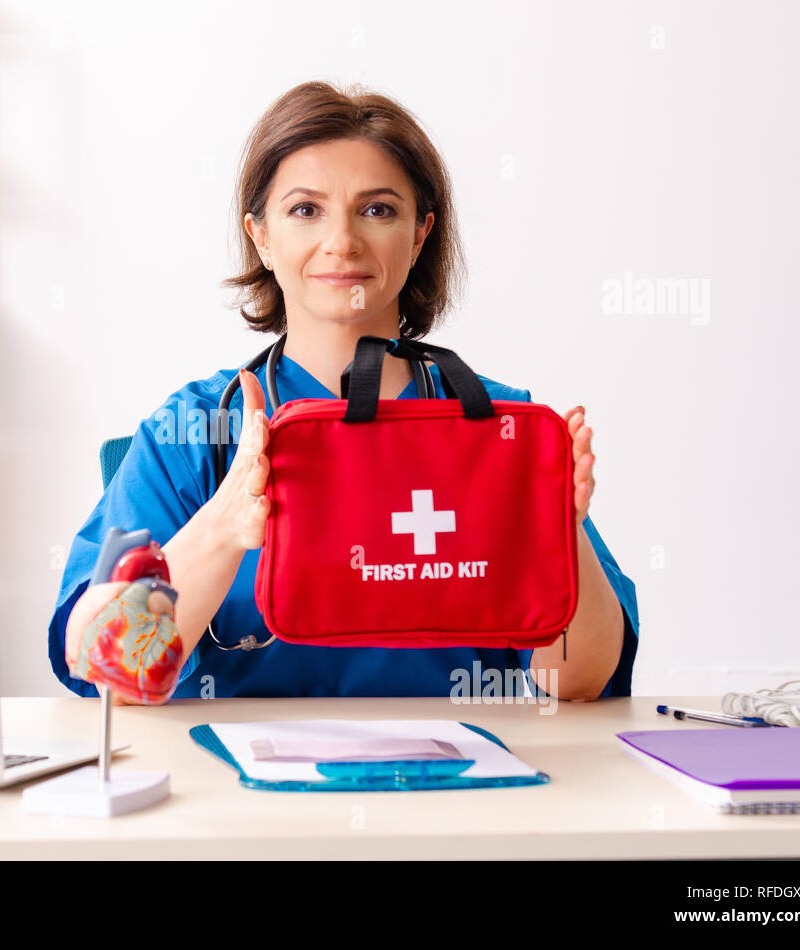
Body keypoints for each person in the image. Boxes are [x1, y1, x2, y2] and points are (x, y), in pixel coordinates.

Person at [49, 80, 639, 702]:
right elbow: (107, 669)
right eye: (306, 210)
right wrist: (225, 526)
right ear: (262, 237)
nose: (342, 241)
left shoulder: (501, 427)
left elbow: (580, 684)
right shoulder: (196, 430)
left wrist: (554, 532)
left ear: (419, 235)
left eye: (378, 209)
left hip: (456, 788)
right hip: (234, 788)